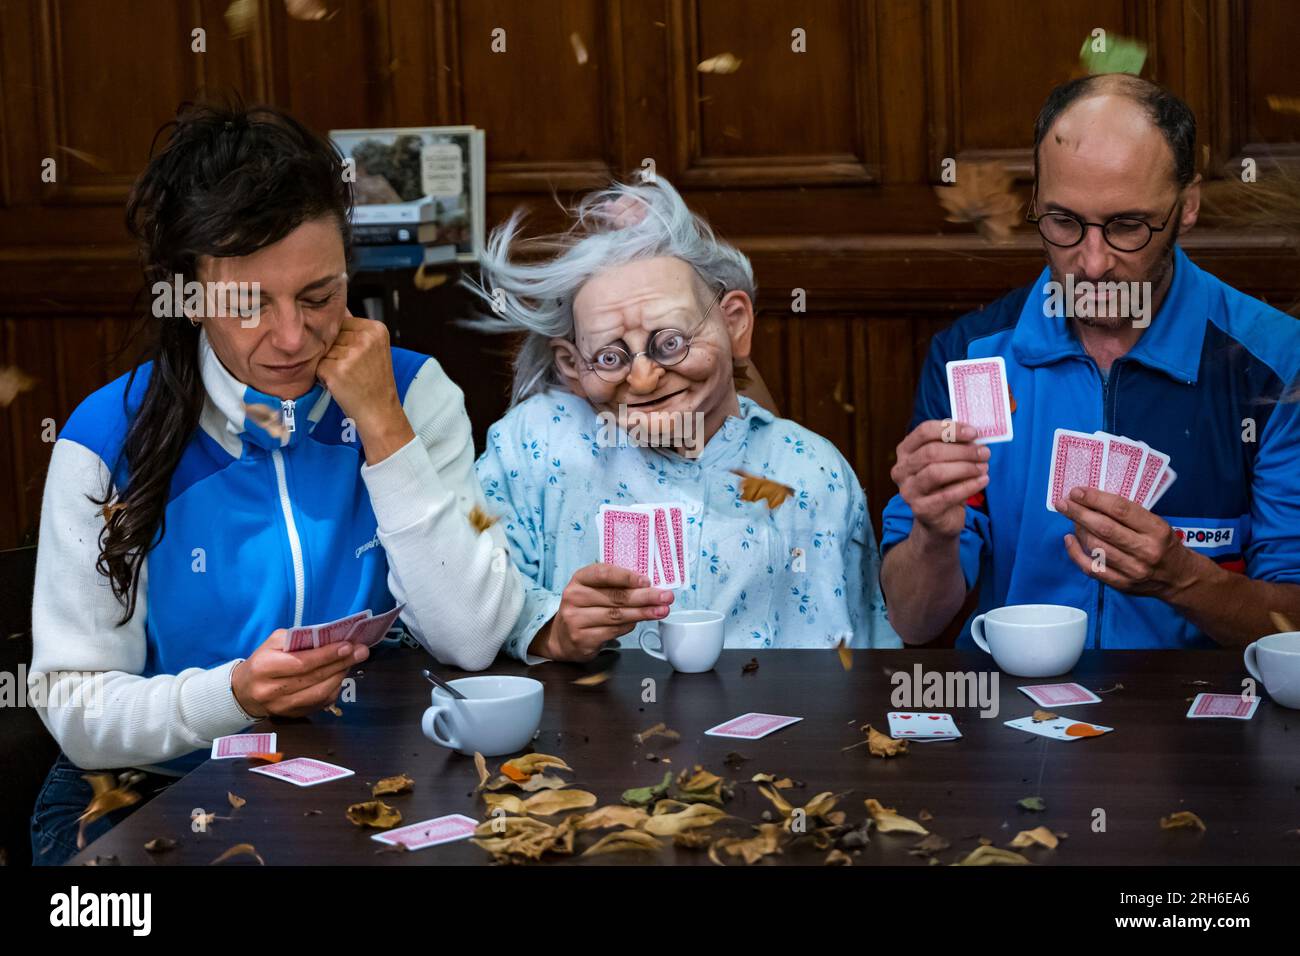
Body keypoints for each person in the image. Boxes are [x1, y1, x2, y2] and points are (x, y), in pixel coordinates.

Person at [28, 102, 523, 864]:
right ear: (189, 296)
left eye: (320, 296)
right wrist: (233, 695)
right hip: (150, 788)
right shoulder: (104, 441)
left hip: (363, 776)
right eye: (249, 304)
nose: (293, 338)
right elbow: (78, 708)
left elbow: (471, 636)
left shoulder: (414, 395)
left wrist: (384, 428)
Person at [880, 74, 1300, 649]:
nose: (1093, 263)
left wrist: (1183, 580)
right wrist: (932, 535)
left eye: (1128, 225)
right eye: (1064, 222)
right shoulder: (974, 356)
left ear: (1189, 206)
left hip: (1204, 726)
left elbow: (1294, 624)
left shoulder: (1276, 362)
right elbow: (911, 621)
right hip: (1020, 714)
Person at [471, 177, 897, 663]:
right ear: (572, 365)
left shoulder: (812, 471)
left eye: (670, 343)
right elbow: (461, 594)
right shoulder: (534, 449)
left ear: (735, 323)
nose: (646, 377)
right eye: (610, 358)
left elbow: (859, 657)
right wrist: (549, 626)